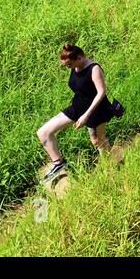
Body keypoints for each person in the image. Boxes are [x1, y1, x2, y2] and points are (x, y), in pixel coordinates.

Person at [36, 43, 116, 183]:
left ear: (79, 57)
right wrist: (81, 113)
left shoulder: (94, 68)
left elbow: (101, 92)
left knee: (97, 141)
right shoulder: (76, 66)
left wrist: (86, 115)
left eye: (69, 65)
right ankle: (58, 163)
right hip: (77, 107)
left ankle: (109, 169)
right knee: (43, 132)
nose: (69, 68)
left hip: (96, 110)